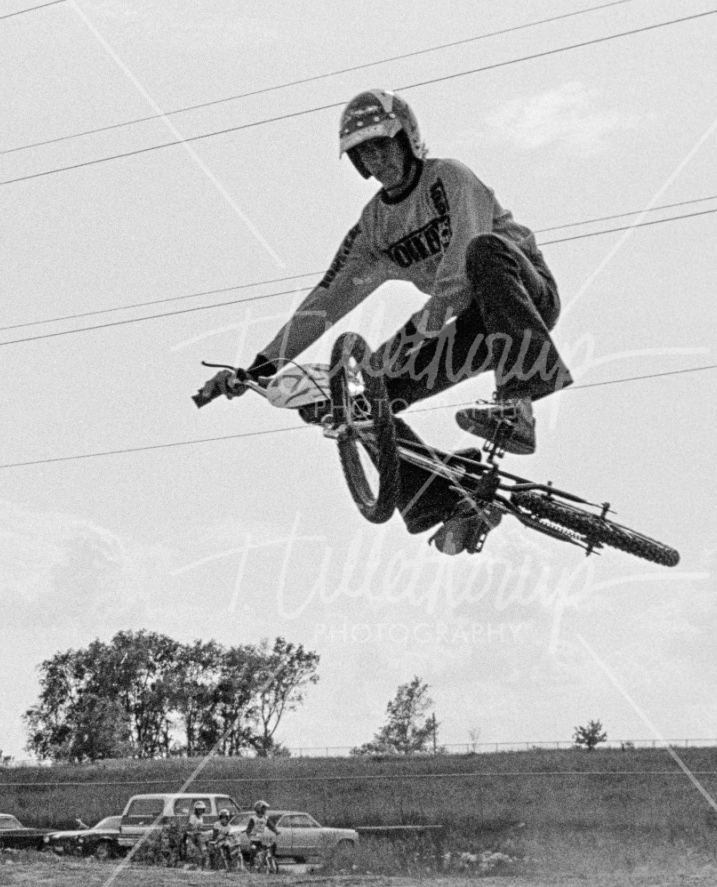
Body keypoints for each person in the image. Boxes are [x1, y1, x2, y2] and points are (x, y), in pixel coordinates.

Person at [197, 89, 571, 556]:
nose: (378, 160)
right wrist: (258, 368)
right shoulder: (374, 226)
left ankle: (518, 405)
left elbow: (459, 270)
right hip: (465, 332)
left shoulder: (449, 178)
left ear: (407, 139)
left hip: (521, 300)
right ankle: (446, 501)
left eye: (383, 146)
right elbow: (325, 302)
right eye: (365, 153)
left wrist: (406, 339)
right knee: (359, 408)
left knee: (483, 252)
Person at [242, 800, 278, 869]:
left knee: (272, 845)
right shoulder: (253, 818)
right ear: (259, 808)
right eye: (264, 808)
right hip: (254, 838)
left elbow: (271, 826)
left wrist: (276, 831)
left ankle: (269, 860)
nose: (265, 810)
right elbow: (249, 827)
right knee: (253, 850)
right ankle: (251, 866)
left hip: (262, 838)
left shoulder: (265, 818)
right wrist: (248, 832)